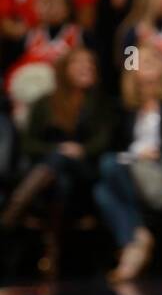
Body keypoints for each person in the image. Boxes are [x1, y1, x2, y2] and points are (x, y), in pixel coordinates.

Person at [0, 47, 111, 278]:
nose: (86, 68)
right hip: (51, 176)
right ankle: (53, 253)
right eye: (78, 63)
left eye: (90, 64)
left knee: (61, 166)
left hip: (87, 171)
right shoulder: (44, 103)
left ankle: (12, 214)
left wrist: (80, 150)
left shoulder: (101, 102)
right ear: (63, 70)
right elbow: (28, 144)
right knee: (60, 181)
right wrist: (57, 150)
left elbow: (105, 142)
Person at [95, 43, 162, 283]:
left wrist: (156, 153)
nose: (146, 65)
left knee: (108, 172)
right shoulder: (126, 108)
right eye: (140, 61)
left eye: (152, 60)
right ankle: (136, 239)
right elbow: (116, 144)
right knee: (101, 190)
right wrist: (136, 154)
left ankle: (133, 239)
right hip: (131, 169)